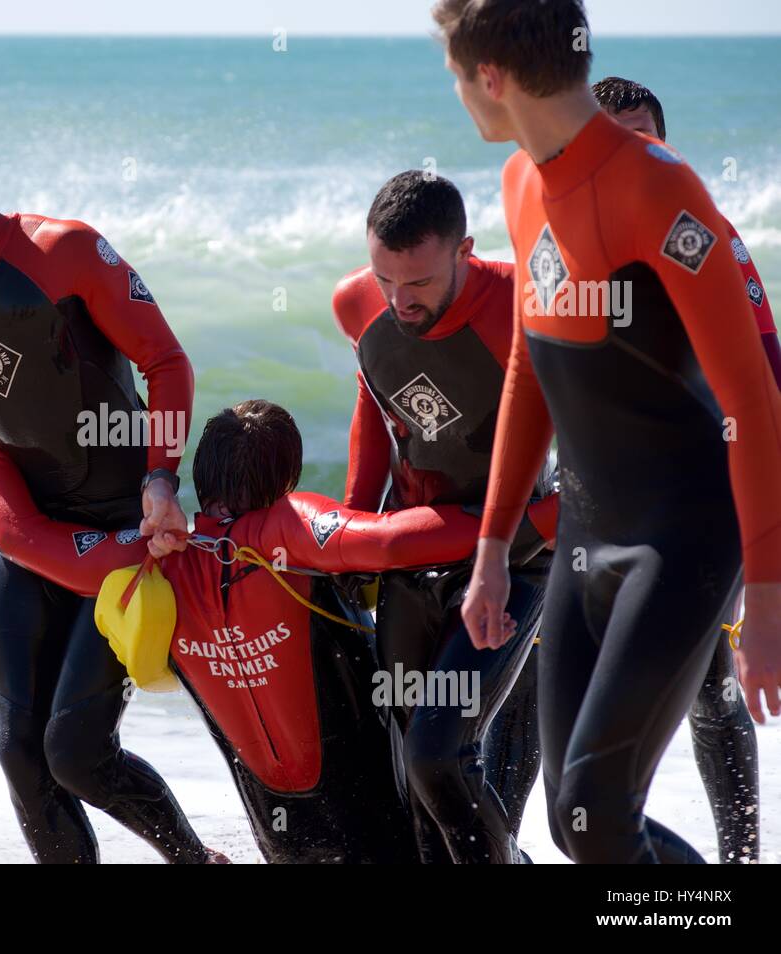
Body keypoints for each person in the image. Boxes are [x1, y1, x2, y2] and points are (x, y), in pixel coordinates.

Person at [434, 0, 781, 863]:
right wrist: (491, 547)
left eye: (452, 72)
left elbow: (753, 400)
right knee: (576, 820)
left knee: (594, 805)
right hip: (588, 534)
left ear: (491, 78)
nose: (454, 92)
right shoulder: (522, 180)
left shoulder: (657, 187)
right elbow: (527, 367)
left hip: (683, 539)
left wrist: (770, 597)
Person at [0, 399, 559, 862]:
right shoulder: (286, 530)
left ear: (202, 474)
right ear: (286, 479)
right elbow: (396, 539)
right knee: (520, 636)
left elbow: (22, 536)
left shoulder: (152, 557)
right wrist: (543, 516)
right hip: (383, 838)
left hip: (284, 844)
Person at [0, 98, 212, 863]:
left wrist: (163, 479)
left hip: (123, 532)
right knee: (19, 754)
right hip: (34, 542)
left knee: (77, 754)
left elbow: (166, 363)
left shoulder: (66, 251)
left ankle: (194, 860)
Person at [333, 171, 556, 863]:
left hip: (516, 555)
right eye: (385, 278)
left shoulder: (529, 305)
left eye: (419, 283)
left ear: (466, 250)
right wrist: (349, 529)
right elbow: (376, 408)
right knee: (415, 780)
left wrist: (551, 530)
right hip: (411, 550)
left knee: (438, 753)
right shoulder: (357, 304)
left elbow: (597, 442)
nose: (398, 300)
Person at [588, 75, 768, 864]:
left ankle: (735, 861)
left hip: (706, 500)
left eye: (647, 144)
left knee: (705, 685)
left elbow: (767, 378)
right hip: (611, 500)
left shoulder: (709, 237)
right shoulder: (569, 240)